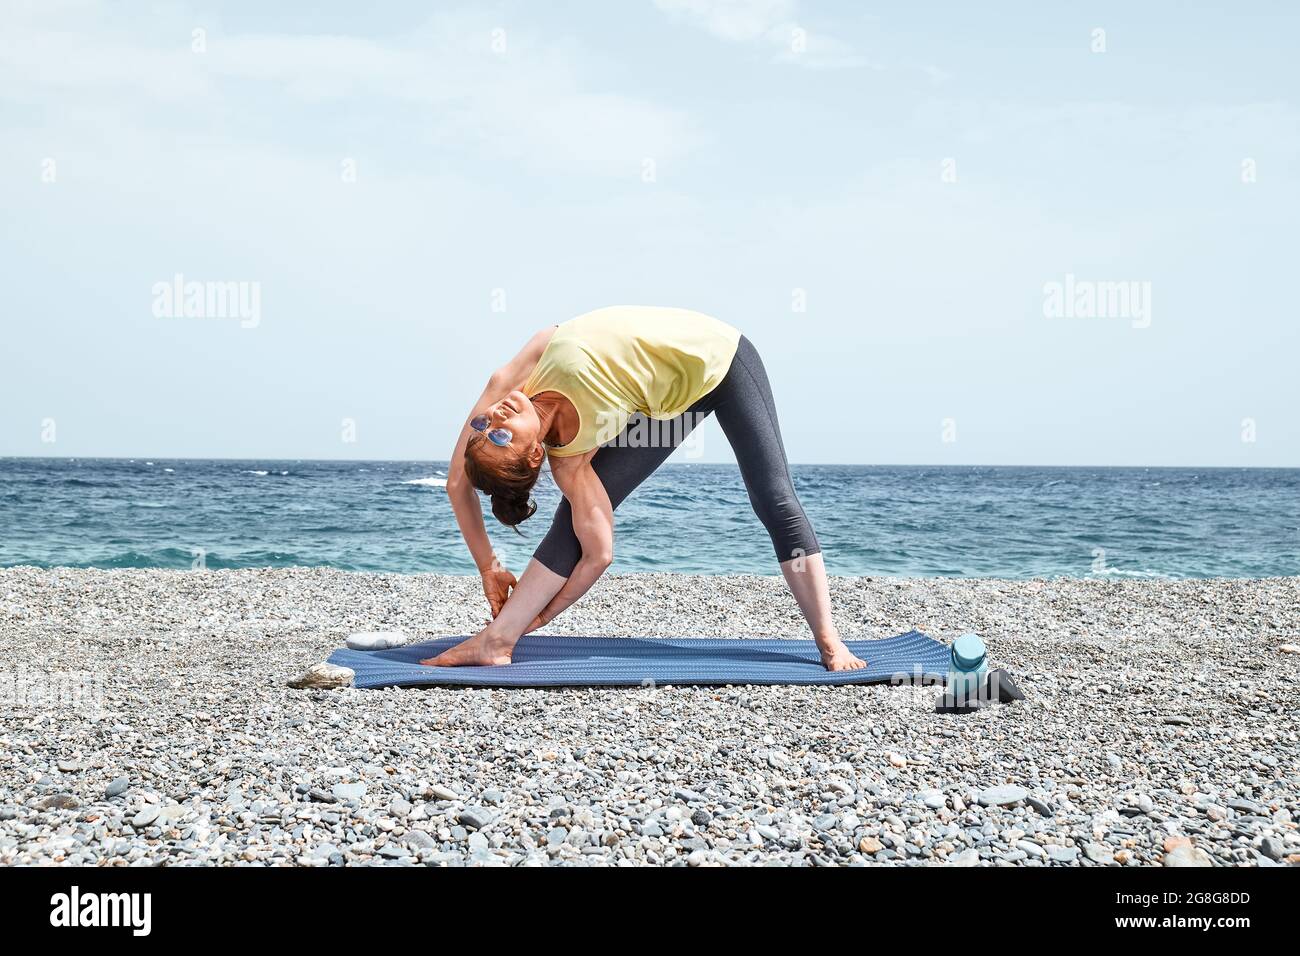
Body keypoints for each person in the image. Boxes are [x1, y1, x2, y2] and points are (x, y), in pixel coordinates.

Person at [426, 306, 865, 671]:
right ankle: (498, 641)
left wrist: (489, 567)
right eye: (497, 436)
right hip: (665, 400)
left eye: (482, 427)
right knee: (573, 517)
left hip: (720, 358)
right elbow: (599, 553)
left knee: (774, 497)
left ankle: (828, 639)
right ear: (534, 455)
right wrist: (541, 615)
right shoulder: (569, 461)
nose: (493, 419)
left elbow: (455, 482)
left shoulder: (523, 373)